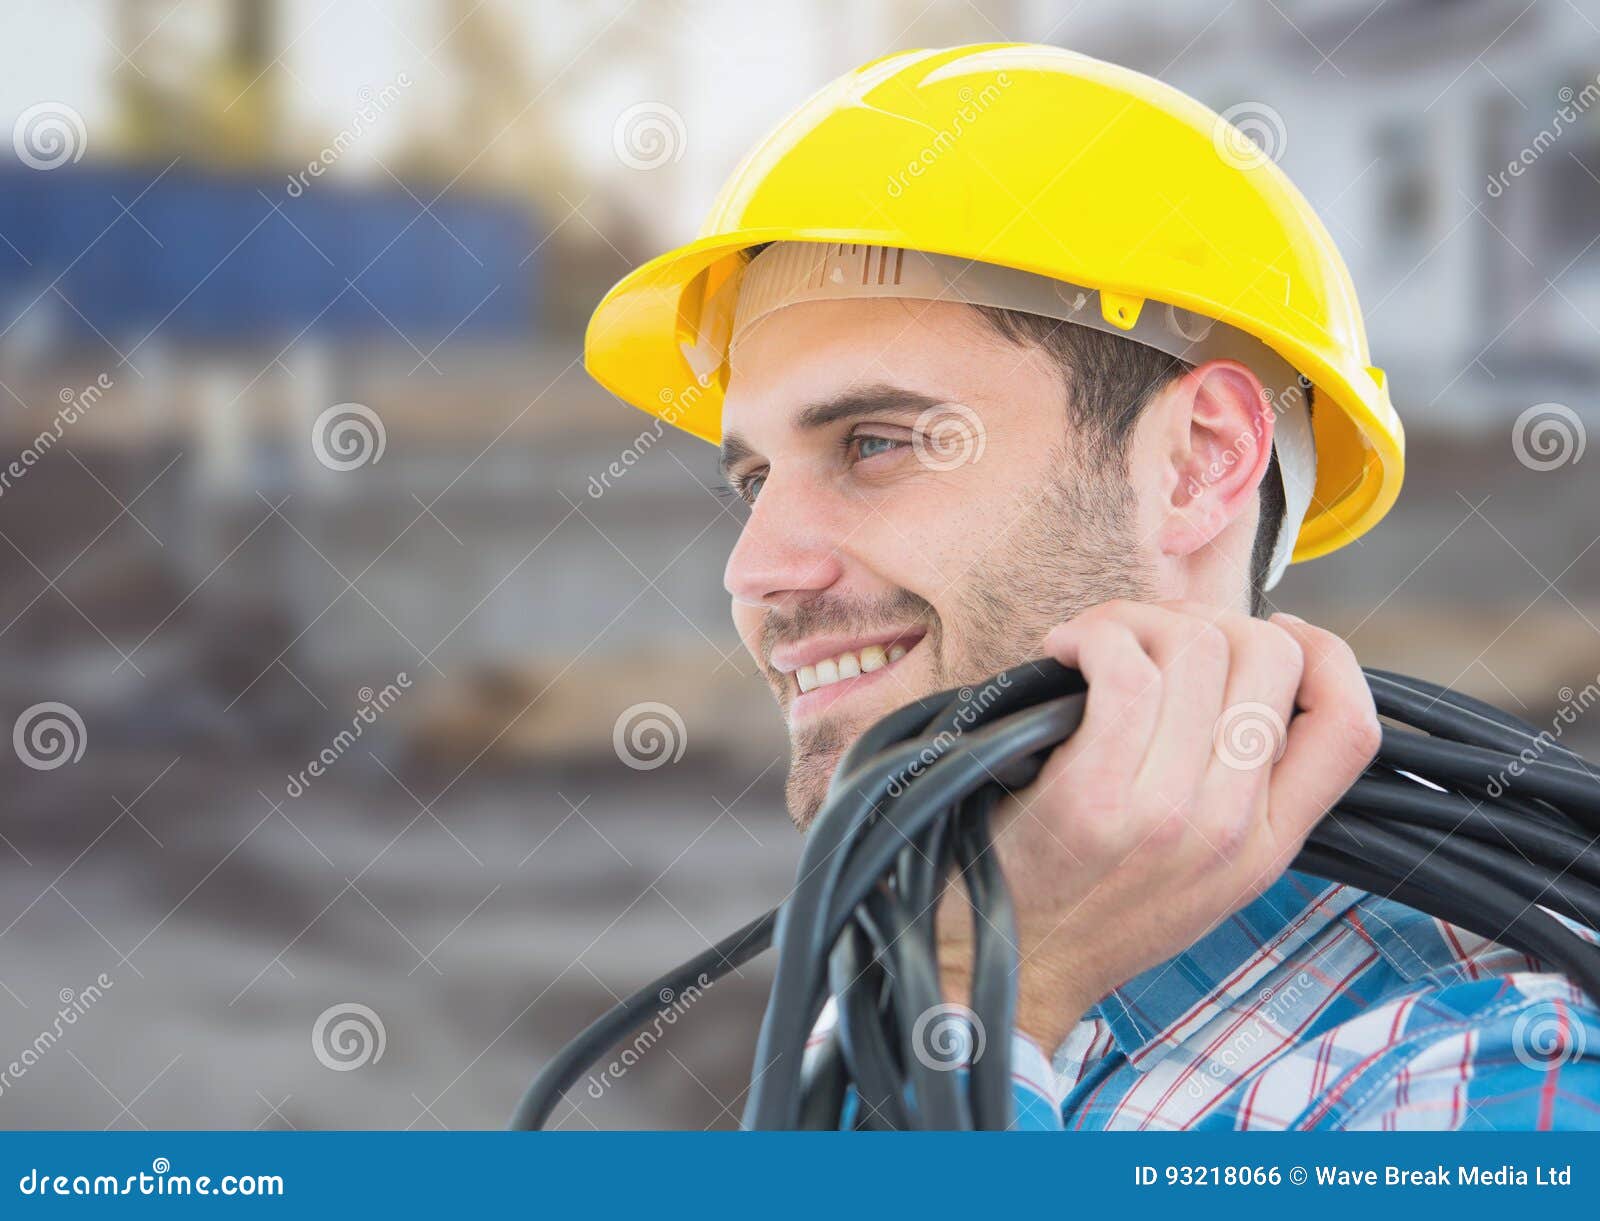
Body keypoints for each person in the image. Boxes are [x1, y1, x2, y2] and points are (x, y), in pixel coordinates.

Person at [583, 44, 1600, 1129]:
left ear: (1197, 460)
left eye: (874, 444)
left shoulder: (1496, 1070)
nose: (755, 571)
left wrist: (978, 1012)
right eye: (753, 479)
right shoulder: (920, 930)